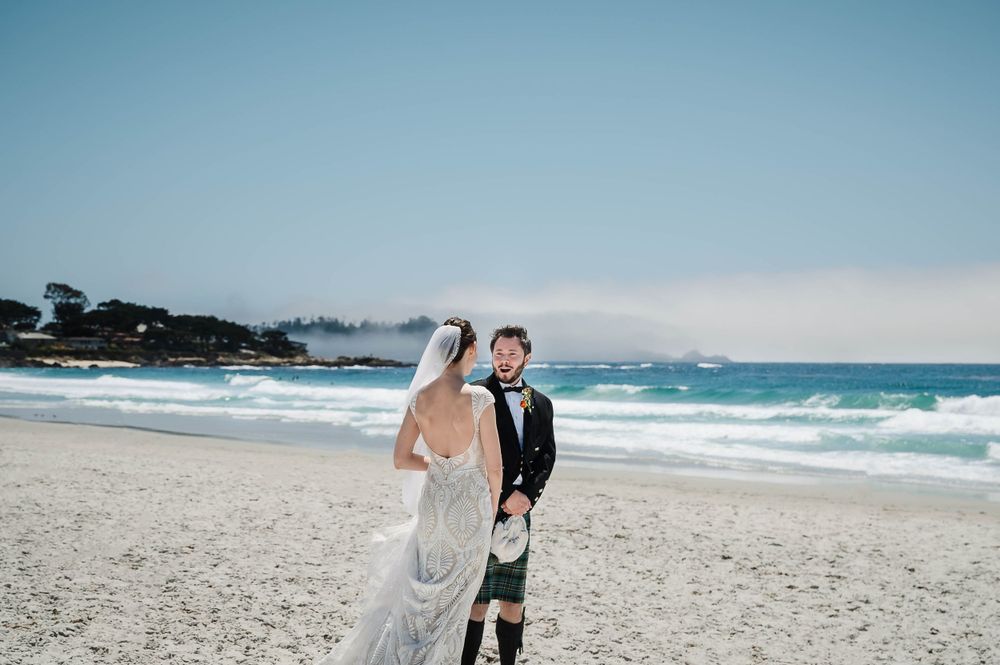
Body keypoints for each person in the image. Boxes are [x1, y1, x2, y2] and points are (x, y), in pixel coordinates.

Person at [315, 318, 503, 664]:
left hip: (434, 505)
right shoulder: (480, 398)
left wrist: (437, 465)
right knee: (456, 599)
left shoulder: (420, 398)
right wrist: (491, 512)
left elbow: (401, 458)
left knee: (426, 589)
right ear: (471, 351)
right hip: (470, 509)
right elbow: (494, 467)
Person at [462, 325, 556, 665]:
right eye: (499, 354)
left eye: (512, 354)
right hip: (480, 506)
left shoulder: (541, 402)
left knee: (514, 601)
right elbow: (464, 451)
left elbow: (547, 455)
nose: (504, 361)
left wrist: (526, 496)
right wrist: (498, 496)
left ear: (526, 358)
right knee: (477, 600)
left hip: (519, 509)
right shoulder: (472, 394)